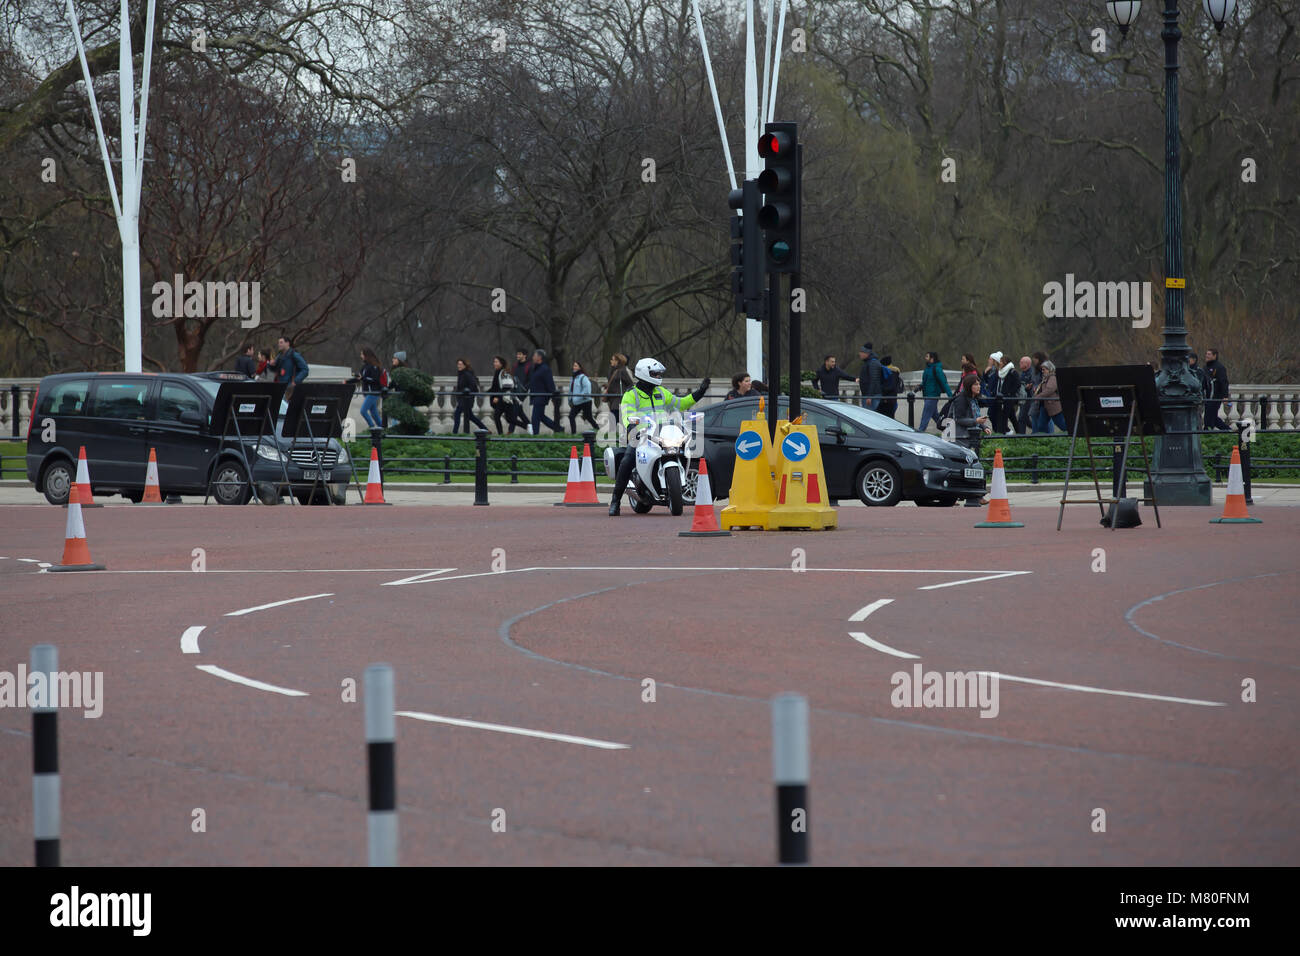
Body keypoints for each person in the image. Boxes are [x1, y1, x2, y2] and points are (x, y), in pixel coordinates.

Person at [608, 358, 710, 515]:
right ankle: (615, 501)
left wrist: (700, 392)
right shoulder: (631, 394)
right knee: (627, 460)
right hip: (640, 436)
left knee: (683, 449)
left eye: (658, 374)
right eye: (654, 374)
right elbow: (627, 414)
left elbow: (681, 404)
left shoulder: (661, 392)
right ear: (644, 374)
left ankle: (672, 486)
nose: (657, 377)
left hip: (662, 434)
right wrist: (632, 425)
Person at [489, 356, 529, 434]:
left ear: (501, 363)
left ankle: (527, 426)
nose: (494, 363)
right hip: (503, 399)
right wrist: (484, 394)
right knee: (504, 418)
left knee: (507, 418)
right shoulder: (497, 372)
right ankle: (501, 435)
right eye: (494, 362)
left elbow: (507, 387)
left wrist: (497, 396)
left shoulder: (504, 372)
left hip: (506, 399)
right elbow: (494, 387)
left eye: (496, 362)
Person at [527, 349, 561, 435]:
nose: (533, 357)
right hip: (535, 396)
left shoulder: (545, 369)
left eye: (534, 355)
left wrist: (554, 398)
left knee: (535, 417)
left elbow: (550, 383)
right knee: (541, 416)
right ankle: (559, 429)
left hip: (541, 396)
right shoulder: (534, 368)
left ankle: (535, 436)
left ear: (539, 357)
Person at [452, 358, 488, 434]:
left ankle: (454, 433)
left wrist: (467, 392)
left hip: (467, 399)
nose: (459, 366)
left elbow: (473, 386)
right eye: (458, 364)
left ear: (465, 365)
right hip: (463, 399)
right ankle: (486, 430)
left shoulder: (466, 374)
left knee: (457, 413)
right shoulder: (461, 373)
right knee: (470, 416)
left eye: (461, 364)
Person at [919, 351, 953, 432]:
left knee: (925, 416)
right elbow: (926, 381)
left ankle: (920, 433)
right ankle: (949, 431)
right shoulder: (928, 369)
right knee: (935, 416)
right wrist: (920, 386)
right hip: (927, 395)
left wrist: (951, 396)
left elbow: (944, 383)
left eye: (927, 356)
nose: (925, 358)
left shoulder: (937, 369)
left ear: (932, 359)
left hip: (933, 396)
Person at [355, 348, 386, 430]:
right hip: (367, 392)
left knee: (363, 411)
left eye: (362, 354)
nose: (360, 356)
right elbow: (362, 377)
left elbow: (375, 380)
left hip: (373, 392)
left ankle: (372, 428)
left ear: (366, 355)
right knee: (374, 414)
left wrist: (363, 378)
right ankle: (383, 430)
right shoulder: (364, 366)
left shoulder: (374, 366)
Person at [1032, 361, 1066, 434]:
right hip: (1045, 405)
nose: (1042, 371)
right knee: (1041, 426)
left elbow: (1049, 390)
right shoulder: (1045, 378)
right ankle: (1045, 439)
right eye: (1042, 369)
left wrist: (1038, 396)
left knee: (1062, 425)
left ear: (1049, 369)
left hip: (1053, 405)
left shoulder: (1052, 377)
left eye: (1044, 369)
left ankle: (1074, 434)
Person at [1204, 348, 1231, 430]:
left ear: (1214, 356)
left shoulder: (1219, 367)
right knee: (1213, 418)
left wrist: (1225, 396)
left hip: (1216, 396)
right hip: (1208, 397)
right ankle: (1228, 431)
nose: (1206, 356)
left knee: (1209, 417)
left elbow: (1224, 382)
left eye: (1209, 354)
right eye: (1206, 354)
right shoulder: (1205, 367)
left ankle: (1208, 432)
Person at [568, 360, 598, 433]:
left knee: (589, 418)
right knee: (571, 416)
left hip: (585, 401)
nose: (573, 367)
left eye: (575, 366)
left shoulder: (583, 377)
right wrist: (570, 399)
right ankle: (573, 434)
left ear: (580, 367)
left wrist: (579, 397)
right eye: (573, 365)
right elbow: (571, 390)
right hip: (577, 402)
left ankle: (598, 430)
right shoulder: (573, 378)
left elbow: (587, 389)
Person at [999, 353, 1025, 434]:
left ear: (1005, 362)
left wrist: (1010, 393)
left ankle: (1002, 433)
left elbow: (1018, 384)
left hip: (1010, 398)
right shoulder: (1004, 372)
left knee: (1004, 416)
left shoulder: (1013, 372)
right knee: (1012, 417)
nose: (1000, 363)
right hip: (1006, 397)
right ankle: (1020, 434)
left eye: (1001, 361)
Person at [606, 353, 635, 420]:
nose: (611, 361)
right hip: (612, 398)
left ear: (617, 361)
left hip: (619, 399)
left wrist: (625, 394)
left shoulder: (622, 370)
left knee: (614, 419)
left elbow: (630, 384)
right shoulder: (614, 370)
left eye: (613, 360)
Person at [982, 351, 1006, 433]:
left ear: (994, 361)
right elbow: (985, 381)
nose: (988, 360)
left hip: (995, 396)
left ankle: (1000, 431)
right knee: (992, 414)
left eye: (990, 359)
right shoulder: (991, 370)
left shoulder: (997, 371)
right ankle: (998, 431)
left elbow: (992, 383)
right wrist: (985, 372)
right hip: (991, 396)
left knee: (994, 414)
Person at [858, 343, 883, 410]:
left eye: (861, 352)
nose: (859, 354)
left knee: (869, 417)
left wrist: (869, 396)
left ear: (867, 353)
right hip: (870, 395)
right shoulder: (868, 362)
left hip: (872, 396)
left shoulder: (872, 363)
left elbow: (873, 380)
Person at [877, 354, 901, 419]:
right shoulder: (895, 372)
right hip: (892, 399)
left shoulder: (888, 373)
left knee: (886, 418)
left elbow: (889, 387)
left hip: (887, 400)